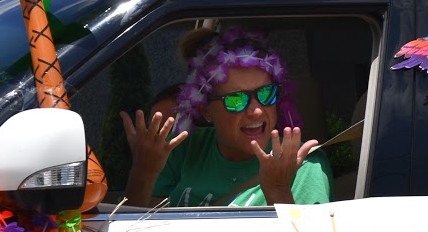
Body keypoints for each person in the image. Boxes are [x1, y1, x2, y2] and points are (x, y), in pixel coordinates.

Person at [122, 27, 331, 207]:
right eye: (236, 99)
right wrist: (143, 171)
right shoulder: (183, 149)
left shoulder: (303, 163)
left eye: (266, 94)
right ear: (205, 110)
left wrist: (278, 190)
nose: (256, 110)